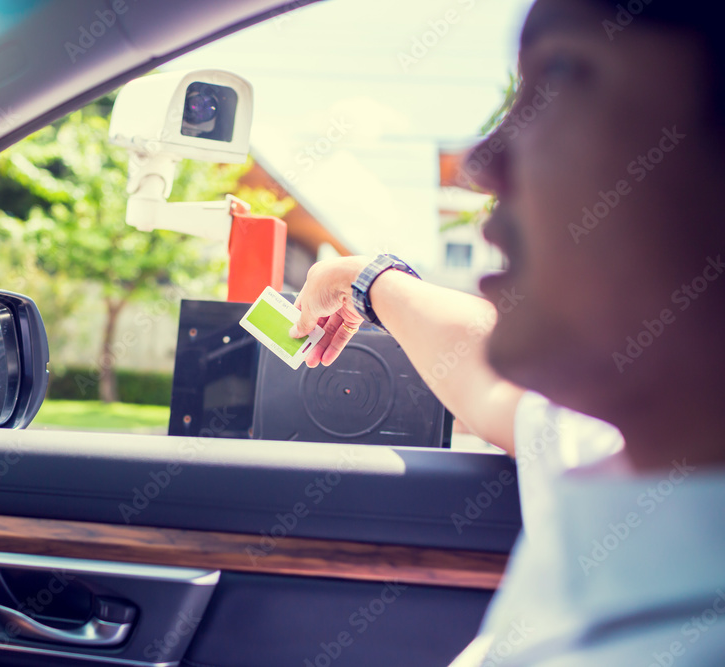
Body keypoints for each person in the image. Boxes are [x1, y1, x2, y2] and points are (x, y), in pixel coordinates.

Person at [291, 0, 725, 663]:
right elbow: (486, 384)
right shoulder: (628, 444)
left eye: (563, 72)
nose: (480, 164)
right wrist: (366, 276)